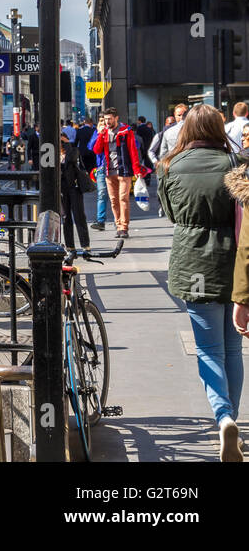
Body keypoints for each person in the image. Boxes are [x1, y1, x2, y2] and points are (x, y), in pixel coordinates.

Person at [159, 104, 244, 461]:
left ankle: (222, 417)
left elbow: (169, 213)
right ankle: (232, 419)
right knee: (233, 349)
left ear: (187, 129)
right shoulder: (235, 164)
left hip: (192, 260)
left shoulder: (170, 166)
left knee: (208, 349)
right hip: (235, 260)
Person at [93, 107, 150, 238]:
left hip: (124, 169)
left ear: (116, 118)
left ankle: (124, 227)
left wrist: (136, 170)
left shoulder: (126, 131)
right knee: (113, 200)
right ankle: (118, 225)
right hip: (109, 171)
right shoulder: (104, 132)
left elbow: (133, 151)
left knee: (123, 198)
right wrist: (100, 135)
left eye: (109, 119)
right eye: (105, 119)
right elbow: (97, 150)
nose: (107, 122)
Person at [59, 130, 91, 251]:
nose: (61, 144)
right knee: (66, 217)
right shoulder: (53, 154)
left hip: (75, 187)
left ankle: (85, 244)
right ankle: (70, 246)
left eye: (62, 142)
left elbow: (71, 158)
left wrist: (67, 144)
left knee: (79, 216)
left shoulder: (74, 151)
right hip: (62, 188)